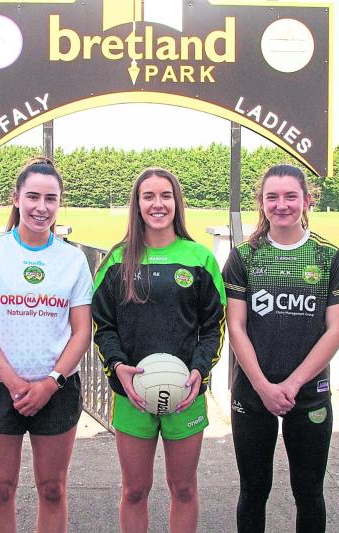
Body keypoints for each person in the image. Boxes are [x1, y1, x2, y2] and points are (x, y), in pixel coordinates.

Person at [0, 156, 92, 532]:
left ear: (60, 203)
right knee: (0, 489)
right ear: (16, 198)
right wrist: (15, 383)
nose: (41, 207)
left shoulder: (73, 260)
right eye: (33, 197)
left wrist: (50, 383)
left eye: (51, 199)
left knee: (52, 489)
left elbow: (82, 331)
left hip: (57, 391)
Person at [222, 164, 339, 532]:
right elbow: (235, 325)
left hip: (310, 393)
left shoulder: (329, 256)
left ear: (307, 200)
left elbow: (336, 330)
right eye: (272, 197)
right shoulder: (245, 256)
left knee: (309, 492)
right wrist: (264, 386)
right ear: (261, 203)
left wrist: (293, 384)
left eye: (290, 196)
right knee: (253, 490)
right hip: (252, 392)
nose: (281, 205)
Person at [92, 167, 226, 533]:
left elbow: (214, 326)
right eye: (148, 196)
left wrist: (200, 370)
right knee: (135, 490)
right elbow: (102, 327)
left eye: (165, 195)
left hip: (186, 394)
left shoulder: (200, 259)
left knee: (183, 488)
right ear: (137, 204)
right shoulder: (118, 260)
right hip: (133, 395)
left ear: (176, 203)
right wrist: (118, 367)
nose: (157, 203)